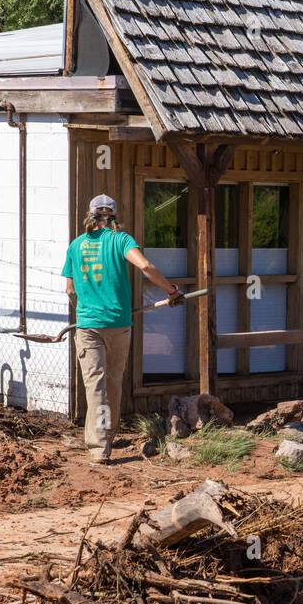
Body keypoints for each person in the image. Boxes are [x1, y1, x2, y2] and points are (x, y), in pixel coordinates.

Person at [62, 194, 183, 464]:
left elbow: (70, 290)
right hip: (118, 324)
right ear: (114, 216)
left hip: (88, 325)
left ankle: (100, 447)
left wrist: (85, 308)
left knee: (95, 385)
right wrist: (171, 291)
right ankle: (107, 435)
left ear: (90, 216)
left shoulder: (76, 246)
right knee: (112, 382)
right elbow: (146, 266)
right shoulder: (121, 240)